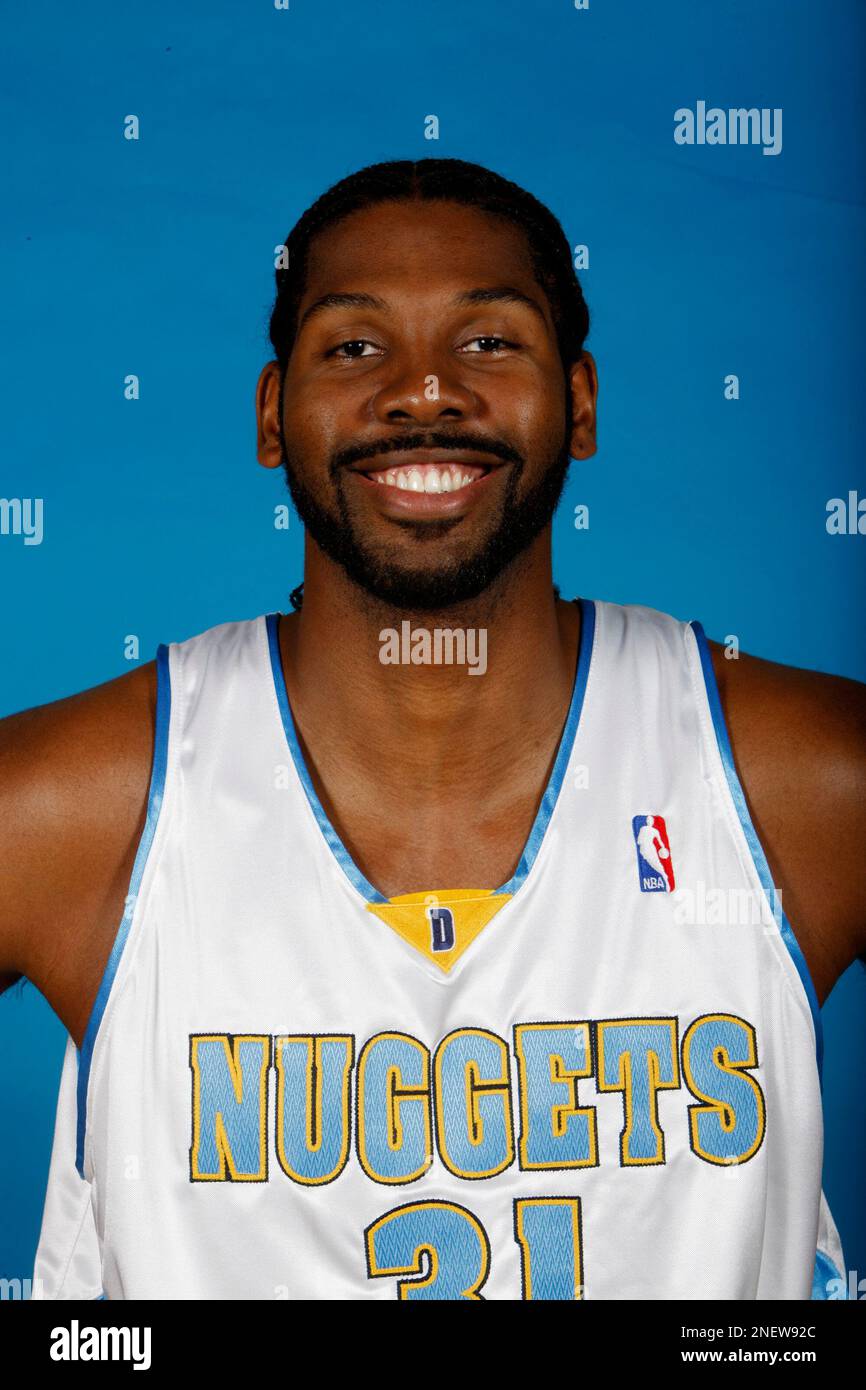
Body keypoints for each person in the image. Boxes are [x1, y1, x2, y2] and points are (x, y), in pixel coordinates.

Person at [5, 157, 865, 1300]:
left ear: (583, 401)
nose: (423, 392)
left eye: (490, 343)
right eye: (355, 347)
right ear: (272, 416)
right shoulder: (77, 807)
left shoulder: (799, 782)